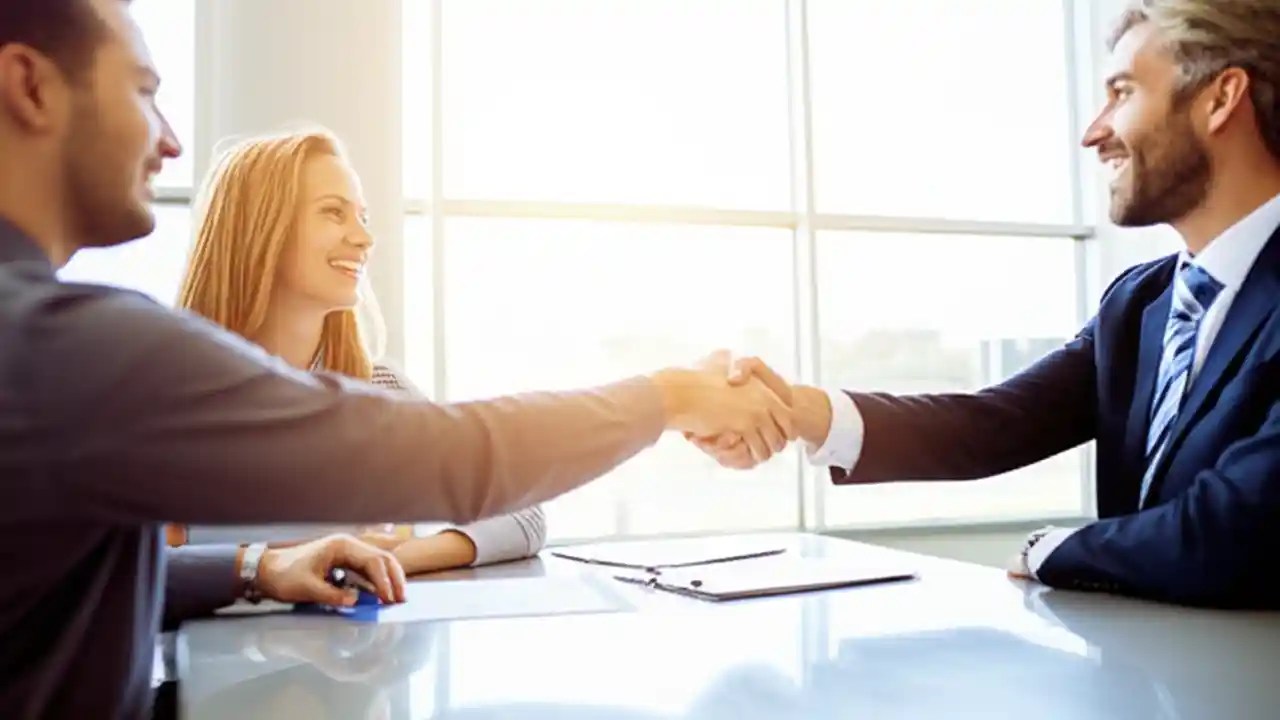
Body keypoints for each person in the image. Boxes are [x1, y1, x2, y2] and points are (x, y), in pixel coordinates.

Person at [0, 0, 793, 716]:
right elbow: (454, 456)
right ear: (29, 86)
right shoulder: (72, 352)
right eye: (142, 91)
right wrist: (668, 396)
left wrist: (256, 570)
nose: (169, 138)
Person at [696, 0, 1280, 609]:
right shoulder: (1142, 303)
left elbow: (1233, 529)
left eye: (1123, 92)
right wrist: (793, 411)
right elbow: (995, 424)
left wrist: (1049, 551)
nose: (1094, 132)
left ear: (1220, 99)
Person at [166, 129, 546, 579]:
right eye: (334, 212)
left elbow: (523, 514)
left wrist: (383, 559)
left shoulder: (378, 387)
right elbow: (140, 563)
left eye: (361, 216)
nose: (364, 238)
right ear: (260, 227)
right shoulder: (169, 401)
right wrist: (274, 565)